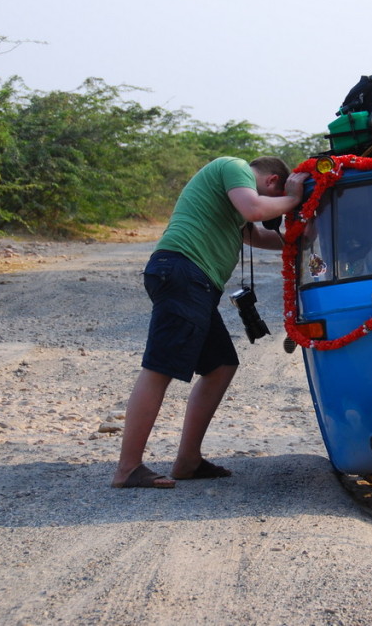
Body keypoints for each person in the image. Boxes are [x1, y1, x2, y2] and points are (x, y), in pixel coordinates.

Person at [111, 156, 304, 488]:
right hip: (183, 272)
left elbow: (257, 235)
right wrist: (295, 198)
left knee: (220, 366)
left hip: (194, 282)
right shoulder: (234, 167)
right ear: (273, 181)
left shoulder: (234, 198)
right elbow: (256, 211)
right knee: (159, 368)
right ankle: (128, 468)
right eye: (277, 199)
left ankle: (188, 461)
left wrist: (303, 240)